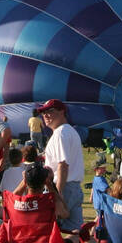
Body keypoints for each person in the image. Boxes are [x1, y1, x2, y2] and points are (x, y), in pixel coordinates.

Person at [39, 100, 84, 233]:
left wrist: (57, 194)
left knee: (48, 230)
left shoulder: (60, 133)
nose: (45, 115)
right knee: (76, 233)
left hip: (62, 187)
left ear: (62, 112)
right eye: (43, 112)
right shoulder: (71, 131)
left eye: (50, 111)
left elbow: (62, 165)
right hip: (74, 187)